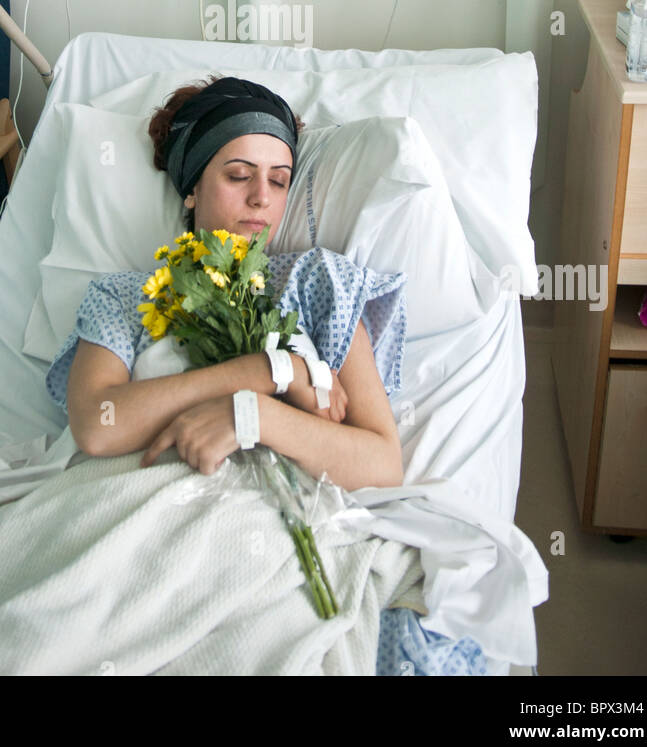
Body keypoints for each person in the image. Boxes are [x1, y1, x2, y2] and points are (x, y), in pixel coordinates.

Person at [45, 75, 405, 491]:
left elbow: (382, 465)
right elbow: (97, 423)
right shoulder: (126, 296)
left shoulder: (317, 282)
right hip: (136, 499)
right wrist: (269, 370)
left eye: (278, 180)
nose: (261, 198)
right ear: (192, 188)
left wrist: (253, 414)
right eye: (238, 175)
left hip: (271, 518)